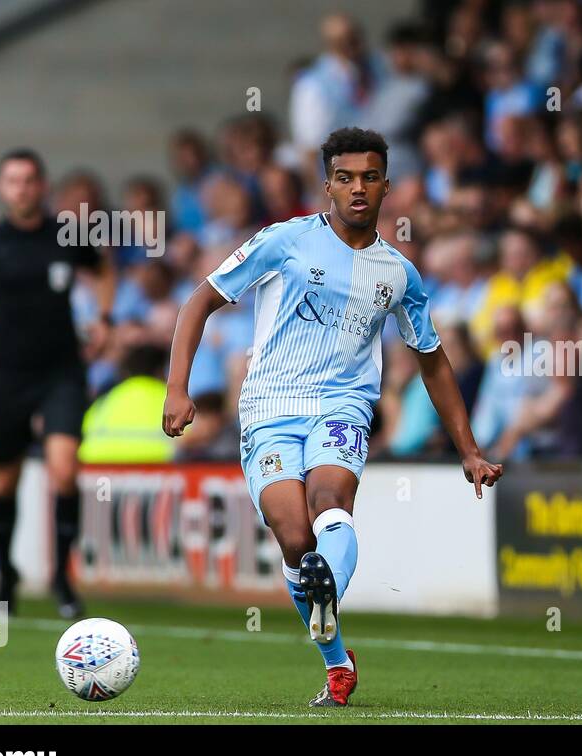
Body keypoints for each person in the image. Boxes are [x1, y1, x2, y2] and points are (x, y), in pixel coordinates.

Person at [162, 128, 503, 708]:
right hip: (268, 408)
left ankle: (326, 591)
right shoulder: (283, 241)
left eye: (369, 177)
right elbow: (201, 300)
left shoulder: (397, 274)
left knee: (328, 506)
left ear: (386, 186)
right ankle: (337, 659)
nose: (358, 188)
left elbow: (435, 363)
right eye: (345, 178)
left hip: (342, 406)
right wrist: (177, 387)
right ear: (327, 185)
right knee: (294, 537)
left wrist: (468, 449)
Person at [0, 148, 115, 617]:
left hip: (61, 371)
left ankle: (62, 578)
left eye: (29, 180)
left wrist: (103, 317)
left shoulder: (66, 236)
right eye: (13, 181)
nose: (22, 188)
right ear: (2, 188)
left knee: (64, 469)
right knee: (5, 480)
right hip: (7, 375)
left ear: (42, 186)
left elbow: (103, 271)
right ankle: (5, 577)